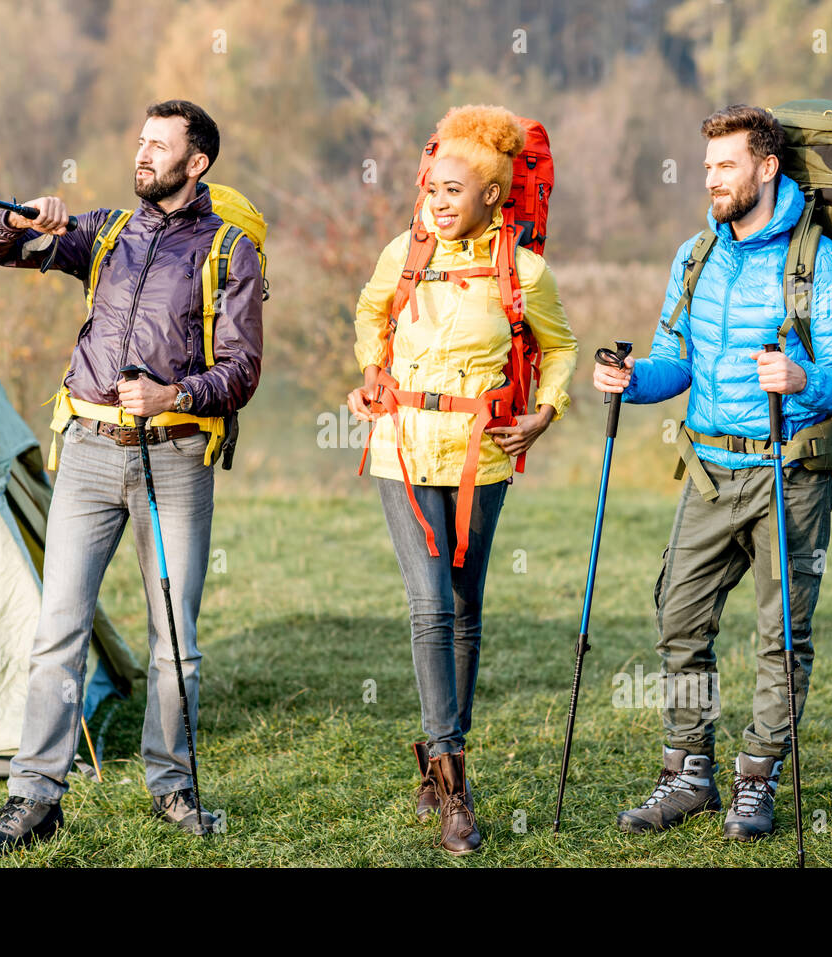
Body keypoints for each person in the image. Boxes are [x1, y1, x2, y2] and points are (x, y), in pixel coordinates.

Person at [0, 100, 264, 855]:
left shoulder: (229, 250)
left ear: (195, 162)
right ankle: (33, 798)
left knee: (175, 641)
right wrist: (22, 219)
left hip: (173, 457)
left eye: (158, 145)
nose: (142, 154)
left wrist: (176, 395)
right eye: (139, 141)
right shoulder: (105, 233)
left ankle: (173, 789)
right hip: (90, 454)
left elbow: (243, 368)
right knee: (57, 630)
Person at [596, 104, 832, 841]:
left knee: (782, 636)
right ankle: (687, 775)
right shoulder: (695, 257)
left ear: (766, 167)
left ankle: (757, 778)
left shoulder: (822, 264)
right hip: (709, 474)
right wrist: (631, 377)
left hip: (792, 476)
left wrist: (800, 377)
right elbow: (674, 360)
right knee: (678, 621)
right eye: (707, 165)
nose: (710, 179)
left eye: (725, 165)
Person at [349, 104, 578, 855]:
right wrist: (371, 376)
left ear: (489, 195)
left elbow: (562, 346)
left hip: (484, 454)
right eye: (431, 188)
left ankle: (439, 757)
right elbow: (370, 314)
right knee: (429, 606)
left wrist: (544, 413)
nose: (438, 201)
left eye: (453, 191)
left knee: (465, 605)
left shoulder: (525, 268)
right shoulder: (404, 253)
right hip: (404, 449)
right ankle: (454, 787)